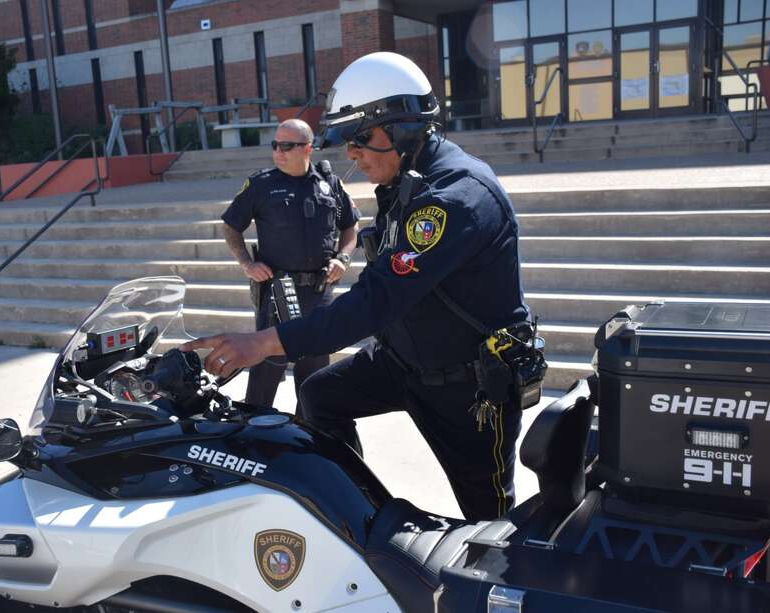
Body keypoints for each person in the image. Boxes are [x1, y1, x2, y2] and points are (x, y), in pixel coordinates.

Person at [186, 52, 533, 521]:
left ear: (405, 128)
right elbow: (377, 283)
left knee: (490, 524)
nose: (350, 153)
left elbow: (376, 300)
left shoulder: (454, 198)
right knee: (320, 397)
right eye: (347, 141)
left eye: (361, 138)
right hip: (404, 361)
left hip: (467, 389)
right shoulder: (405, 184)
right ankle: (363, 515)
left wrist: (264, 342)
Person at [220, 118, 359, 413]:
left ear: (307, 148)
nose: (278, 152)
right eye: (275, 145)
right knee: (266, 372)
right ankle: (253, 435)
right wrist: (246, 263)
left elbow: (351, 226)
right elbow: (231, 226)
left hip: (319, 293)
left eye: (287, 146)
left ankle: (308, 434)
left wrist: (343, 258)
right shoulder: (261, 185)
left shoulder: (329, 184)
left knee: (315, 376)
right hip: (277, 292)